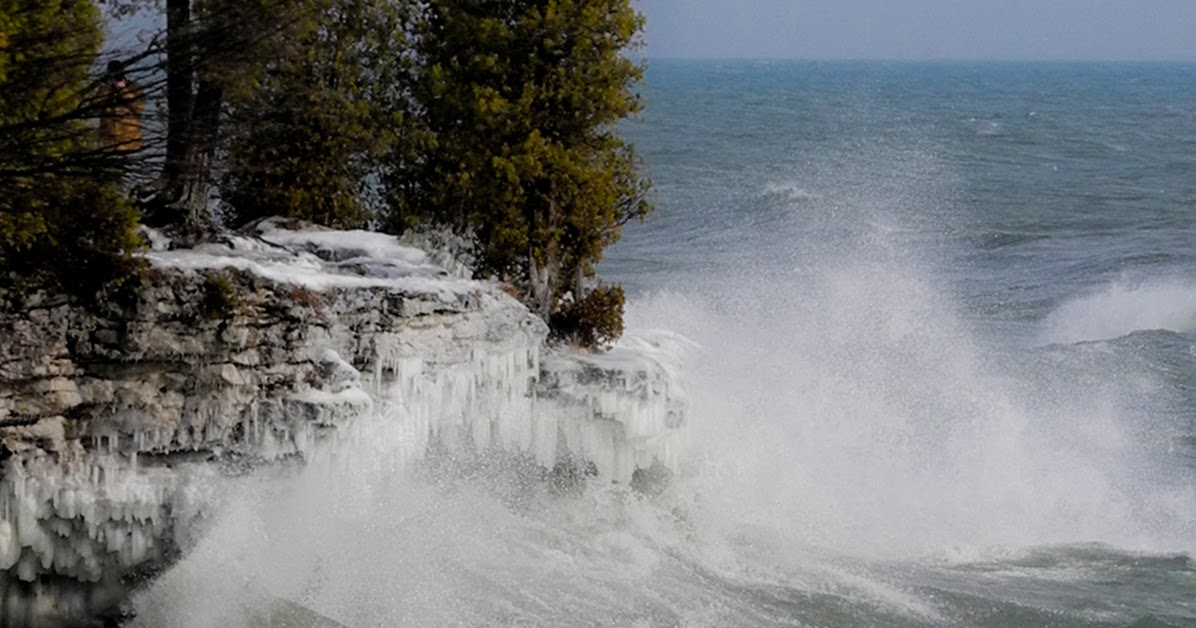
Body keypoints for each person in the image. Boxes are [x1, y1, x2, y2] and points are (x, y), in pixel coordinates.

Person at [97, 60, 145, 153]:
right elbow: (96, 104)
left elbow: (139, 107)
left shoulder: (133, 86)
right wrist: (106, 88)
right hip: (109, 137)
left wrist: (122, 90)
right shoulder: (105, 87)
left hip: (130, 137)